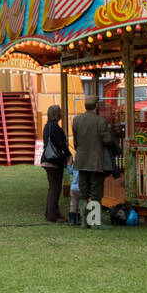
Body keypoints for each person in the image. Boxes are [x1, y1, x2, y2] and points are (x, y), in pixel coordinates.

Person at [71, 94, 115, 227]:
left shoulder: (76, 120)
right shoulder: (100, 121)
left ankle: (84, 222)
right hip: (96, 162)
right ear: (96, 106)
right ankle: (95, 222)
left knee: (84, 192)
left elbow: (76, 141)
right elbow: (107, 140)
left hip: (81, 161)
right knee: (96, 193)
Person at [40, 104, 69, 222]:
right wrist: (68, 155)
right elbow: (62, 144)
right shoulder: (56, 128)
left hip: (46, 160)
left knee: (52, 187)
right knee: (55, 189)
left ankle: (50, 212)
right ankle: (53, 215)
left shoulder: (47, 126)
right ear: (57, 114)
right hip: (54, 161)